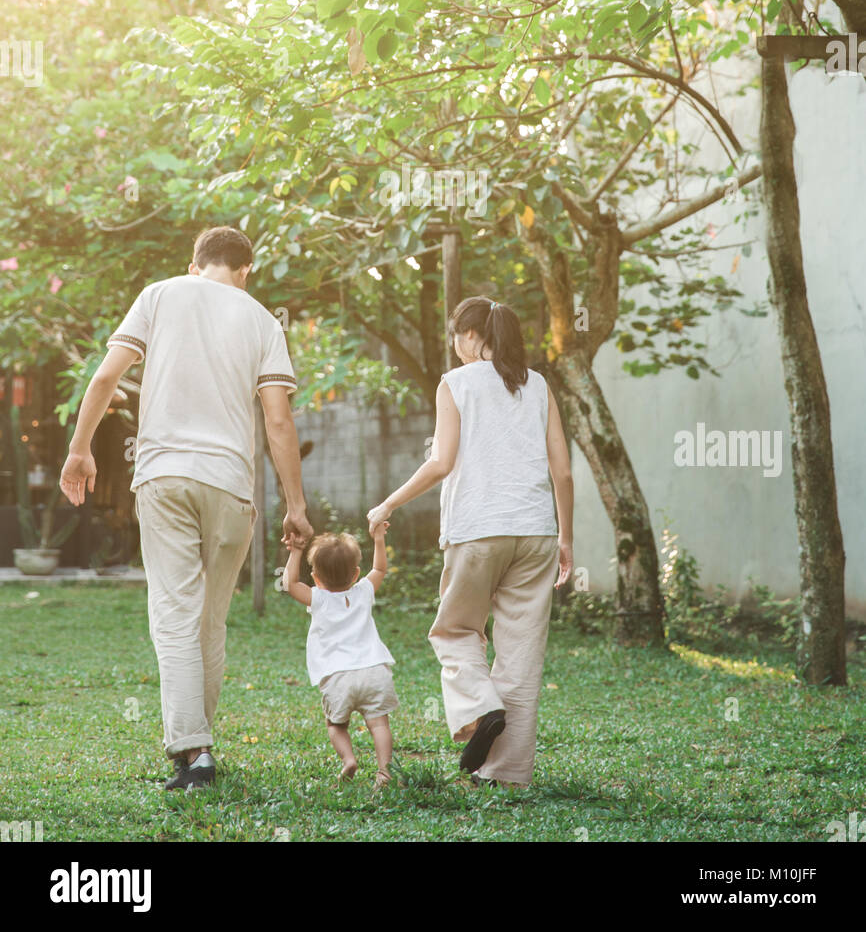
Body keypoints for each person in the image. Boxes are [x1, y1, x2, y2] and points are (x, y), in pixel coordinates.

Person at [58, 225, 313, 792]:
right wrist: (296, 506)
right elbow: (277, 421)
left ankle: (195, 752)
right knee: (209, 621)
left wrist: (80, 450)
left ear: (195, 264)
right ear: (244, 271)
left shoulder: (161, 293)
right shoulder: (263, 320)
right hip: (231, 488)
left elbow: (106, 376)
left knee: (174, 612)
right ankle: (197, 749)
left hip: (166, 476)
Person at [367, 296, 574, 788]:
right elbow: (562, 469)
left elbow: (441, 462)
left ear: (472, 336)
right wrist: (566, 536)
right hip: (537, 532)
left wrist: (388, 504)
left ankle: (481, 711)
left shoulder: (455, 384)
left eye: (457, 335)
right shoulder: (539, 385)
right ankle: (506, 775)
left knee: (456, 631)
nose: (455, 345)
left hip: (477, 530)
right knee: (521, 655)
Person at [281, 524, 398, 790]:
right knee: (379, 724)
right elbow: (380, 569)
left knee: (336, 725)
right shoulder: (364, 591)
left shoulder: (318, 598)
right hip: (374, 671)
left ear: (316, 578)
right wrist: (378, 539)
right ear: (356, 573)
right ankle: (384, 772)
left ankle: (348, 760)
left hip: (337, 677)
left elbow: (289, 584)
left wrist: (296, 551)